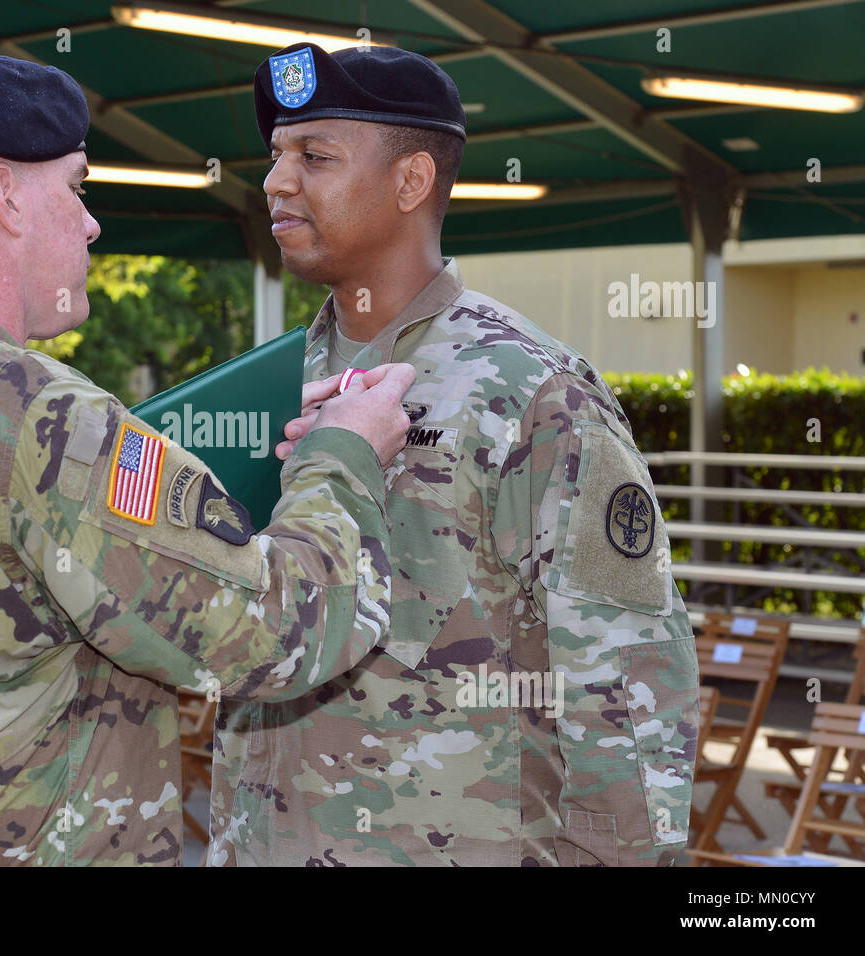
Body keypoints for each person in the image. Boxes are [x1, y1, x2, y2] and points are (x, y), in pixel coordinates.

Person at [0, 55, 417, 866]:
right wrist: (346, 450)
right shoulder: (28, 413)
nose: (91, 223)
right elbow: (275, 634)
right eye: (77, 187)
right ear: (4, 195)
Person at [209, 42, 700, 866]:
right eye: (275, 156)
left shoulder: (531, 388)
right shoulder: (271, 387)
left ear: (411, 183)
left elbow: (630, 672)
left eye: (314, 156)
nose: (276, 181)